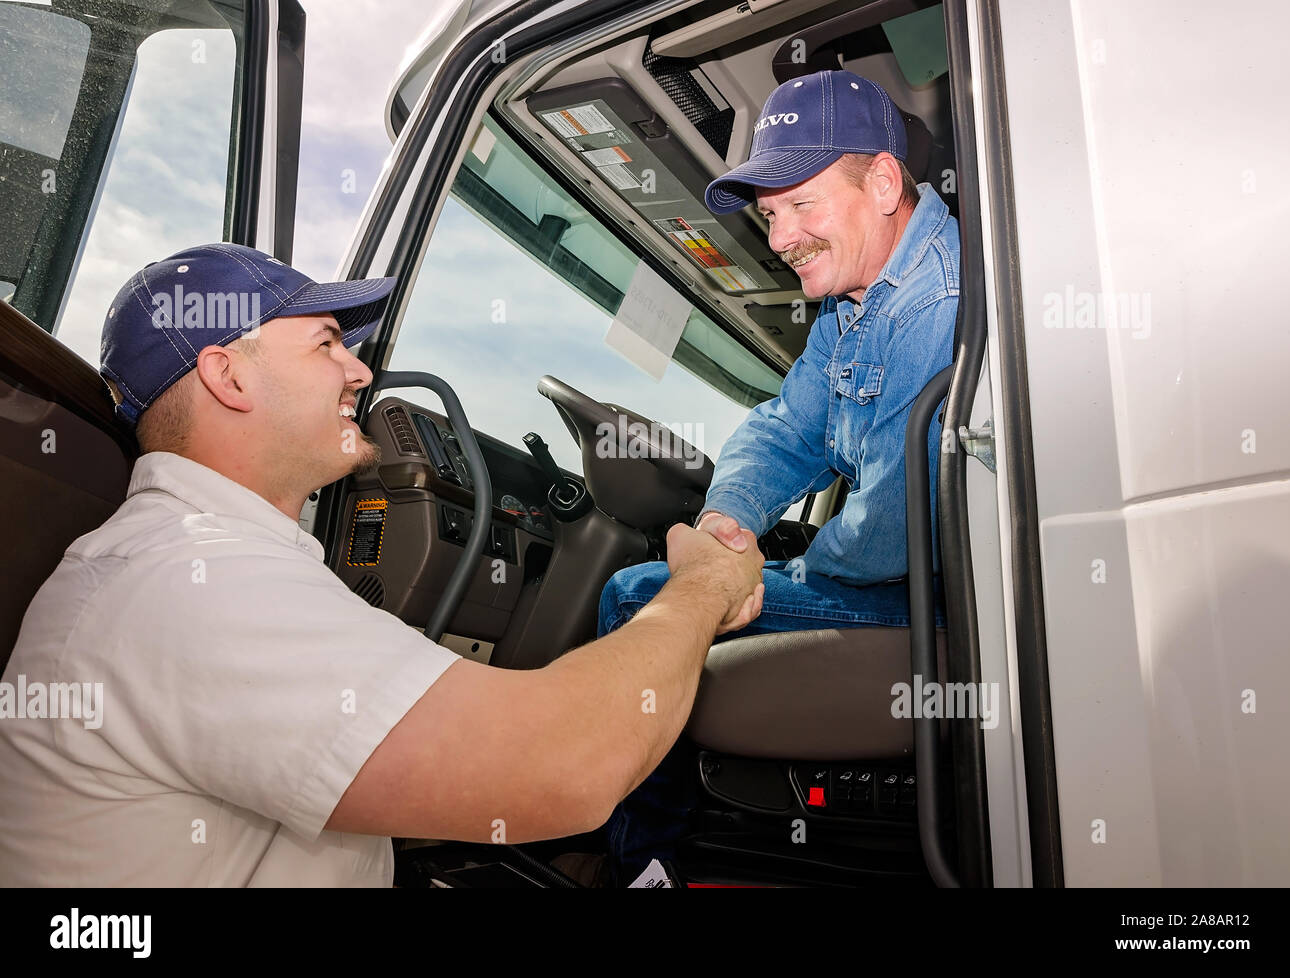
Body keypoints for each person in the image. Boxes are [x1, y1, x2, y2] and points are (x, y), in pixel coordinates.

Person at [0, 243, 763, 886]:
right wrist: (701, 585)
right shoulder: (188, 582)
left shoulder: (208, 557)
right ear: (228, 377)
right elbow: (570, 766)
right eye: (327, 343)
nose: (359, 372)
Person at [596, 70, 960, 880]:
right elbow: (790, 425)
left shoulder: (938, 299)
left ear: (885, 182)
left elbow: (896, 529)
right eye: (769, 215)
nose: (780, 237)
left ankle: (639, 870)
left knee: (632, 599)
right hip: (896, 582)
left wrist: (759, 573)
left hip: (931, 605)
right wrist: (729, 522)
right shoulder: (855, 300)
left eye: (802, 205)